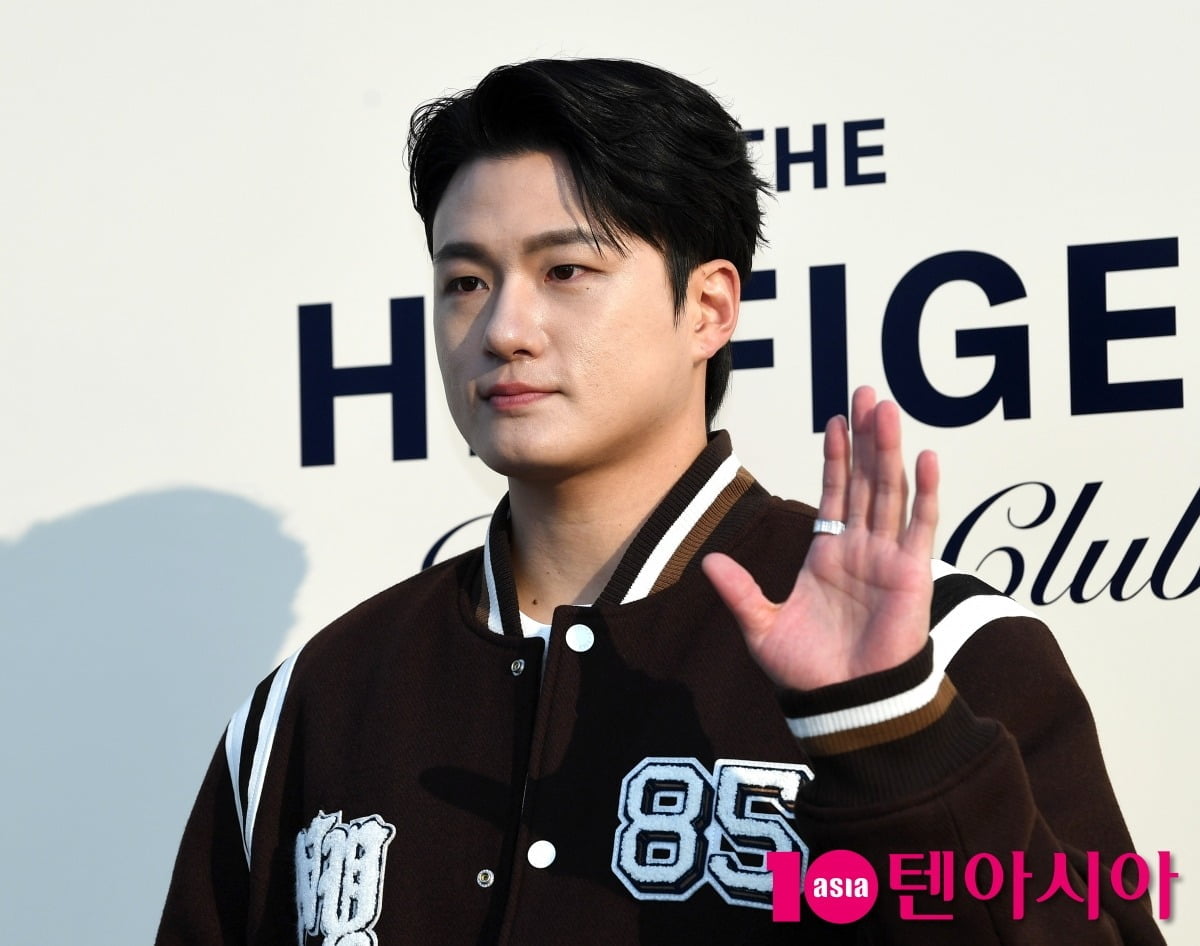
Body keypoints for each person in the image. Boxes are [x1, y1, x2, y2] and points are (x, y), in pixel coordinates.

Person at [157, 59, 1164, 944]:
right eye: (465, 281)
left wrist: (886, 732)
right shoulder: (319, 697)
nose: (503, 328)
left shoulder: (944, 650)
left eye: (566, 270)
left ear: (709, 308)